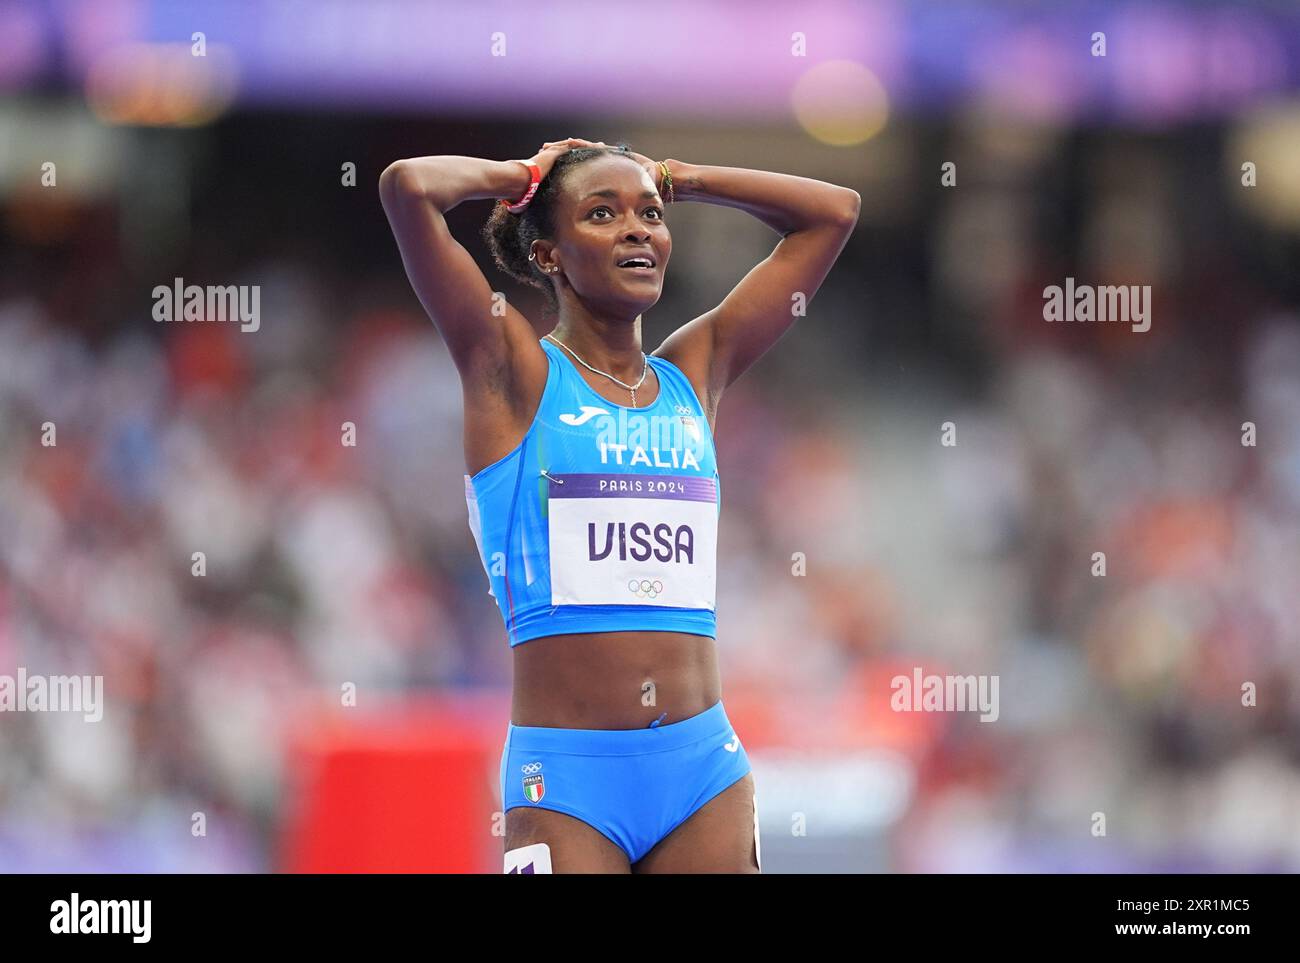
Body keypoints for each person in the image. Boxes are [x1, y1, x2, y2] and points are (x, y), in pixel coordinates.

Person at [379, 137, 859, 873]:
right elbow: (408, 187)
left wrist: (676, 175)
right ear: (547, 254)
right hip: (569, 780)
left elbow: (833, 212)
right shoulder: (513, 370)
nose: (637, 228)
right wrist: (528, 179)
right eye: (602, 214)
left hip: (702, 769)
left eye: (651, 215)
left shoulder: (696, 372)